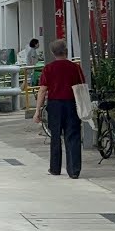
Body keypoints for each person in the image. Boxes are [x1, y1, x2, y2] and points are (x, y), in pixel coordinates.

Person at [33, 39, 85, 178]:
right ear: (66, 51)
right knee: (73, 136)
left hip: (55, 105)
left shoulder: (48, 68)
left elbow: (43, 90)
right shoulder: (75, 67)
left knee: (55, 136)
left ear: (52, 53)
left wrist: (37, 110)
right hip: (71, 104)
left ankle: (55, 168)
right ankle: (74, 170)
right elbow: (81, 86)